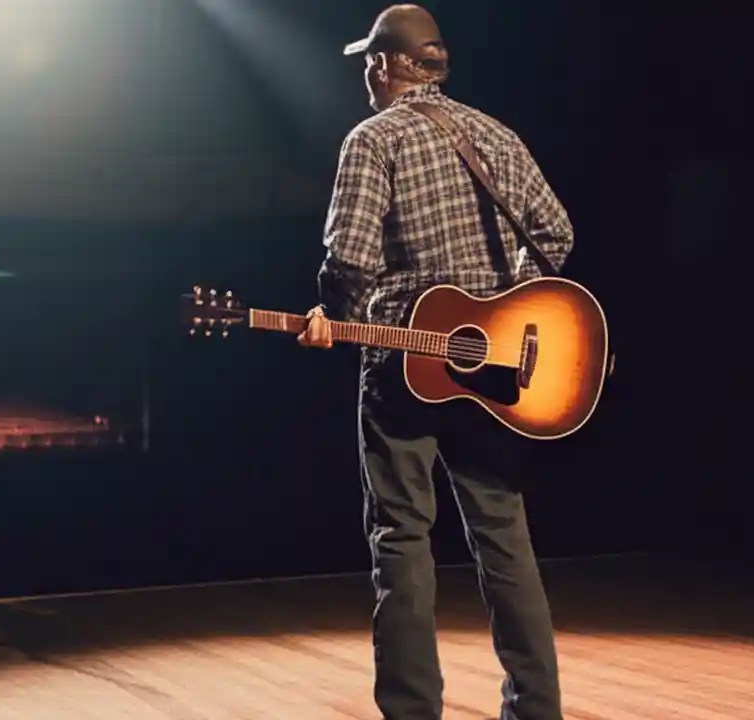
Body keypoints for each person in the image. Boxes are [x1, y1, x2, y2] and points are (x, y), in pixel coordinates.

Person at [297, 5, 574, 719]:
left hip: (403, 369)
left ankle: (413, 712)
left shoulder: (374, 139)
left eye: (370, 62)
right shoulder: (497, 135)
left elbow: (350, 260)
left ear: (389, 66)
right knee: (504, 540)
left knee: (401, 542)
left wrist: (337, 316)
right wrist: (500, 311)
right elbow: (556, 233)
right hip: (497, 377)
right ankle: (536, 709)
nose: (367, 72)